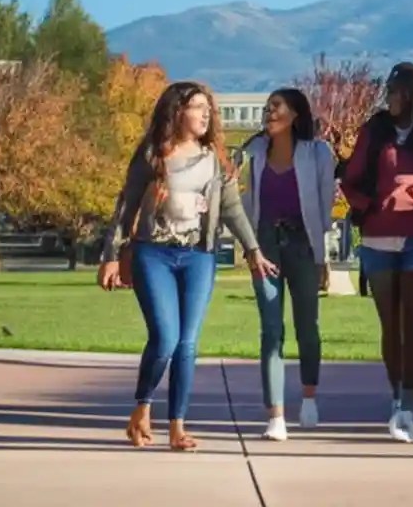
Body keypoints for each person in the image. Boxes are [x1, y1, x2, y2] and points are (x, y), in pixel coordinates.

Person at [98, 81, 273, 452]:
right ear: (177, 112)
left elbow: (232, 210)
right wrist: (111, 255)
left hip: (198, 256)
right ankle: (142, 408)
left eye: (208, 107)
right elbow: (125, 208)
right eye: (197, 107)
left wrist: (253, 249)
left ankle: (178, 425)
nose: (205, 113)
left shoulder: (216, 158)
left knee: (188, 343)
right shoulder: (151, 155)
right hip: (153, 254)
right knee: (165, 339)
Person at [340, 62, 413, 443]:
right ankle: (394, 396)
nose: (389, 97)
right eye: (388, 90)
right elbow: (351, 178)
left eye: (396, 90)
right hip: (377, 238)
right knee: (390, 324)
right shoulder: (373, 131)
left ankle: (409, 407)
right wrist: (372, 205)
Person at [240, 88, 337, 442]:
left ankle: (309, 397)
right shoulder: (252, 153)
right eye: (266, 108)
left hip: (303, 244)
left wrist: (323, 257)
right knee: (270, 328)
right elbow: (242, 201)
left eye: (275, 107)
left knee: (307, 325)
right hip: (264, 244)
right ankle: (276, 416)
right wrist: (250, 247)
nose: (268, 112)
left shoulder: (318, 153)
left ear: (295, 114)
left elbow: (325, 212)